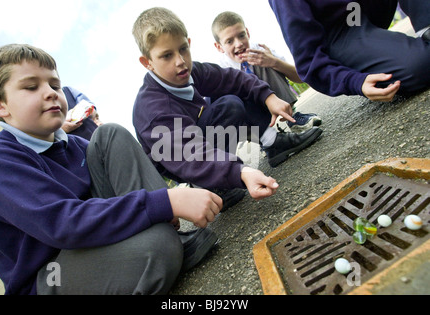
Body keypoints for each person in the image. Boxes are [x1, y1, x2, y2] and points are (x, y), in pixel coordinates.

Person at [0, 44, 223, 295]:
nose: (50, 93)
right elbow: (63, 224)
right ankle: (165, 248)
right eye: (31, 87)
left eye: (55, 85)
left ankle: (170, 241)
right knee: (156, 247)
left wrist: (161, 208)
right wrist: (165, 201)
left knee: (111, 133)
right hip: (50, 274)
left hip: (92, 243)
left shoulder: (73, 144)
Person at [132, 7, 322, 210]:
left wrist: (268, 96)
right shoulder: (154, 110)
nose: (180, 61)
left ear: (189, 43)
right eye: (167, 56)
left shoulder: (191, 71)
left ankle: (272, 141)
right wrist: (239, 171)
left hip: (200, 142)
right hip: (183, 161)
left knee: (228, 96)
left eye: (183, 49)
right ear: (147, 63)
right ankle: (209, 186)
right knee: (228, 106)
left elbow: (233, 78)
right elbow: (189, 155)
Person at [269, 0, 430, 102]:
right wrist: (354, 81)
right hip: (344, 32)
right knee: (421, 64)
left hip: (364, 9)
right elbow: (308, 62)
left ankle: (427, 27)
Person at [212, 11, 323, 133]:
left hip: (274, 101)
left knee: (263, 60)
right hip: (250, 116)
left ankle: (292, 118)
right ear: (219, 47)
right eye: (229, 41)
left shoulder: (260, 50)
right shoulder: (221, 69)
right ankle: (263, 138)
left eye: (241, 35)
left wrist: (274, 62)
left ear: (247, 33)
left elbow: (300, 78)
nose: (238, 44)